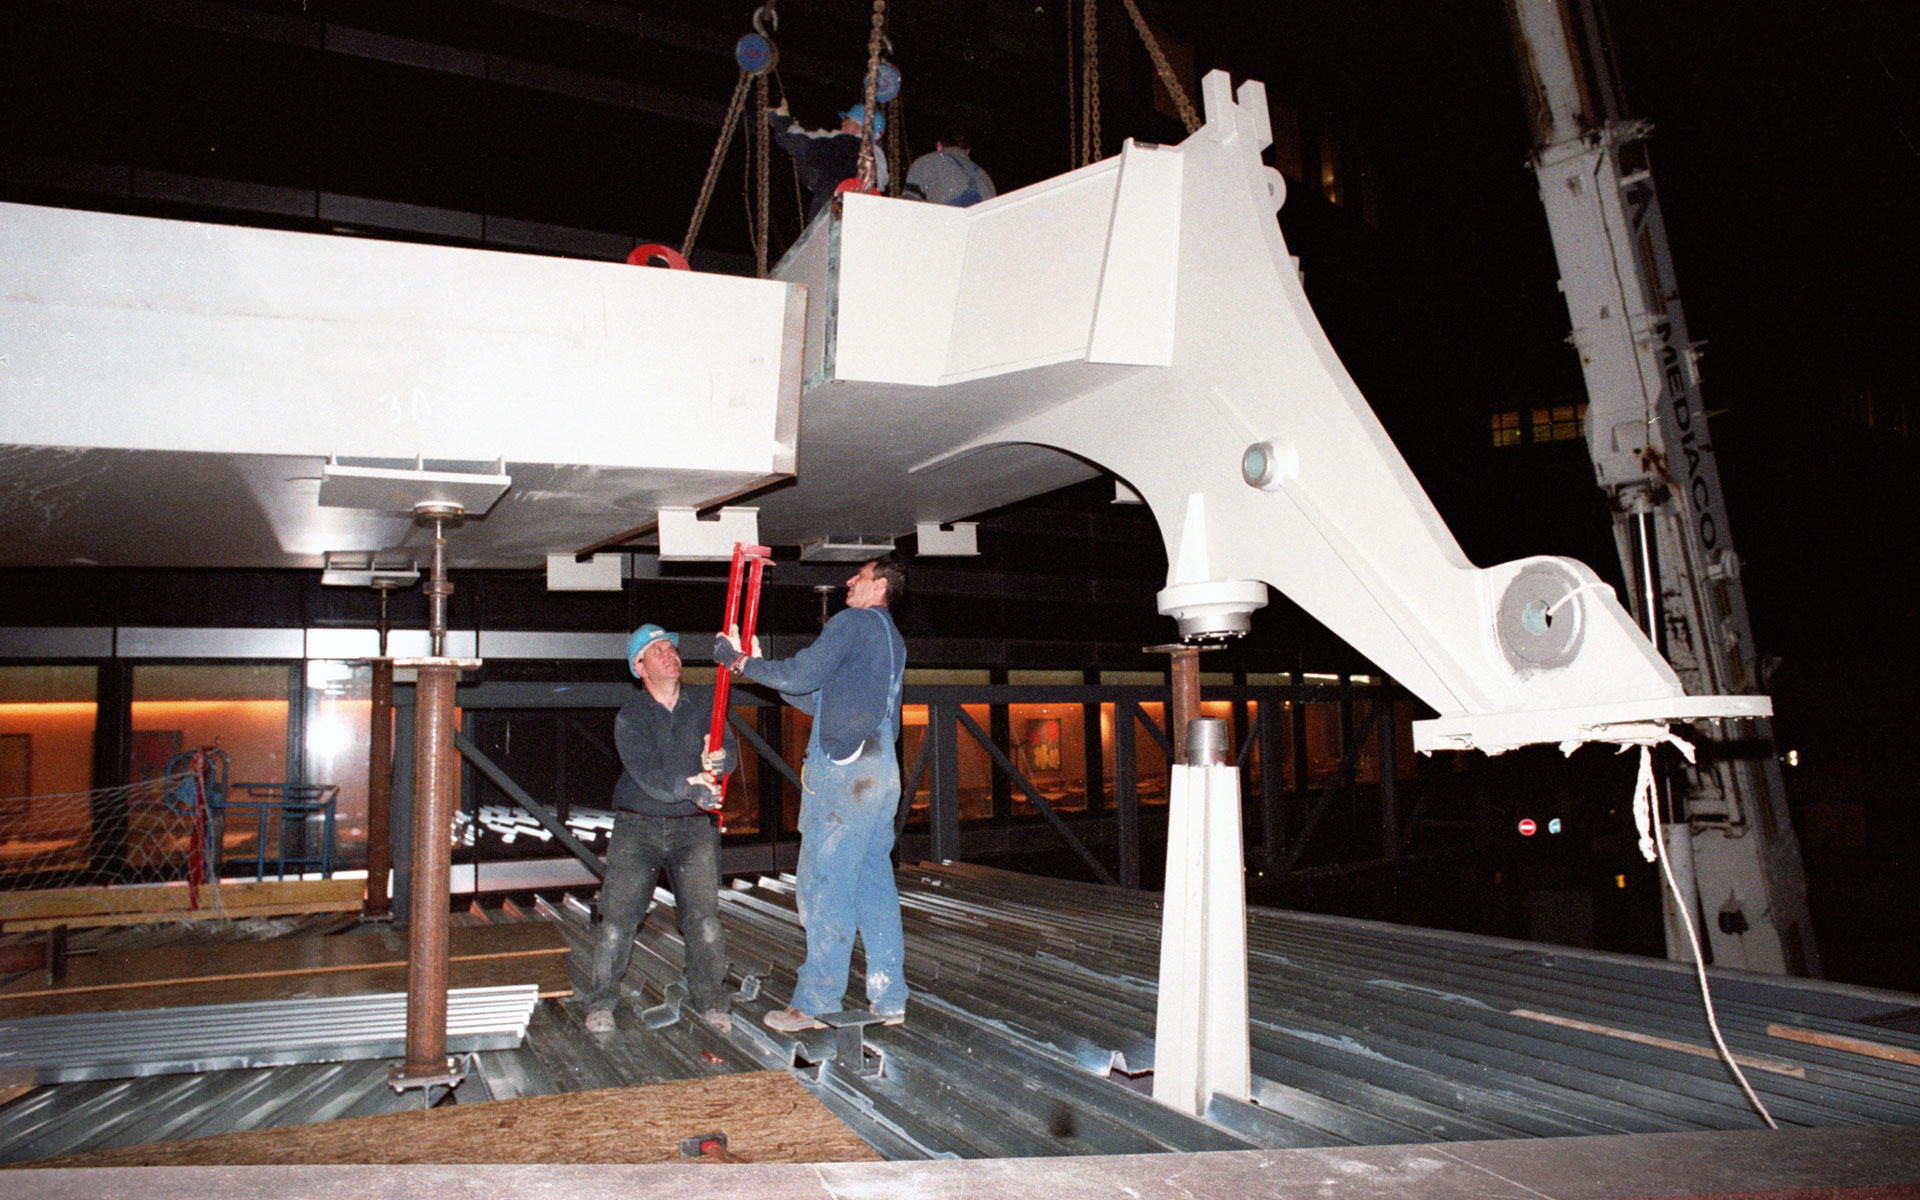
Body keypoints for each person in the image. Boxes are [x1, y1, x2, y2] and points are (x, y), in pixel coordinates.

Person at [715, 555, 909, 1033]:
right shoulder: (890, 639)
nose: (849, 581)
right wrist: (758, 668)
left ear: (879, 586)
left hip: (846, 776)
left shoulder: (852, 622)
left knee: (824, 885)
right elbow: (812, 696)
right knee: (872, 882)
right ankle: (889, 997)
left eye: (858, 576)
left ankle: (818, 1002)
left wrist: (738, 659)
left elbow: (800, 675)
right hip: (882, 772)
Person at [581, 623, 737, 1035]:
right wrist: (689, 787)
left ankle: (710, 1001)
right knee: (617, 919)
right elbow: (647, 774)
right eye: (659, 650)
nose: (671, 654)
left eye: (673, 647)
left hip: (693, 829)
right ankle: (601, 1003)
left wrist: (719, 762)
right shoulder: (630, 717)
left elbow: (729, 755)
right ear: (640, 666)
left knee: (704, 919)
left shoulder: (705, 704)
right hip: (638, 829)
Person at [768, 98, 891, 224]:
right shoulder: (876, 160)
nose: (842, 125)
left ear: (855, 127)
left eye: (845, 120)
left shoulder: (845, 144)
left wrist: (781, 120)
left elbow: (801, 143)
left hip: (833, 218)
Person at [904, 128, 996, 207]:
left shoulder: (925, 162)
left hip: (946, 221)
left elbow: (909, 204)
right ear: (968, 151)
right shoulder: (985, 177)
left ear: (939, 146)